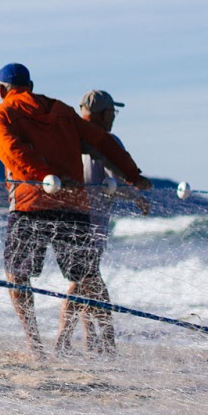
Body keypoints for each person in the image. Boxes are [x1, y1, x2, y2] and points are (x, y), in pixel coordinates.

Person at [0, 64, 151, 359]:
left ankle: (35, 345)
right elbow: (101, 140)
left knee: (16, 275)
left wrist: (46, 177)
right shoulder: (61, 110)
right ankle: (109, 345)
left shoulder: (2, 114)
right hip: (74, 207)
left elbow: (12, 151)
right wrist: (133, 174)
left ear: (1, 90)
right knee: (88, 276)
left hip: (30, 205)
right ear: (31, 84)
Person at [74, 89, 151, 354]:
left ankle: (90, 337)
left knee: (83, 278)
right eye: (112, 113)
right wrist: (137, 198)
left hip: (69, 216)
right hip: (93, 220)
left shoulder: (69, 136)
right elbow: (113, 180)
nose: (114, 118)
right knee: (87, 277)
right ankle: (103, 340)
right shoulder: (107, 139)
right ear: (103, 113)